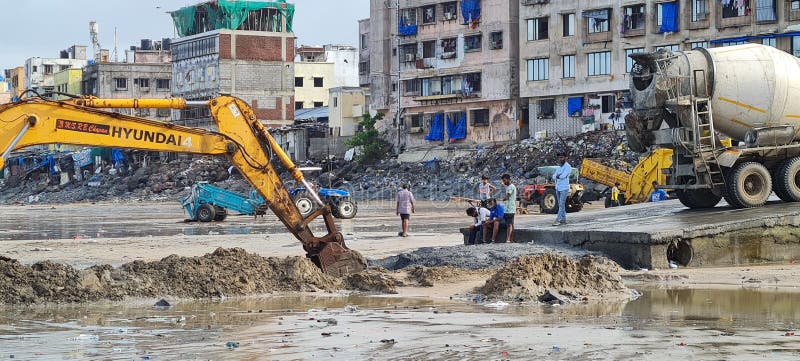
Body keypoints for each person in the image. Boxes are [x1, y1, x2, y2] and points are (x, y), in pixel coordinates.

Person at [552, 153, 572, 226]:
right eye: (559, 157)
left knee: (561, 204)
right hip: (558, 187)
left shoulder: (568, 167)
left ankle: (558, 219)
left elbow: (563, 176)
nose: (560, 159)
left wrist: (558, 176)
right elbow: (553, 176)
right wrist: (558, 176)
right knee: (561, 204)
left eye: (562, 157)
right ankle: (563, 220)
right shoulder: (559, 167)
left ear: (565, 158)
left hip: (564, 188)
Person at [500, 173, 517, 243]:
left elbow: (507, 197)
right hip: (510, 208)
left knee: (509, 225)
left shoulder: (510, 187)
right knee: (511, 224)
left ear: (508, 179)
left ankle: (508, 239)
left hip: (509, 209)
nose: (504, 182)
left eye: (504, 180)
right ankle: (511, 240)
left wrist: (502, 199)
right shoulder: (510, 186)